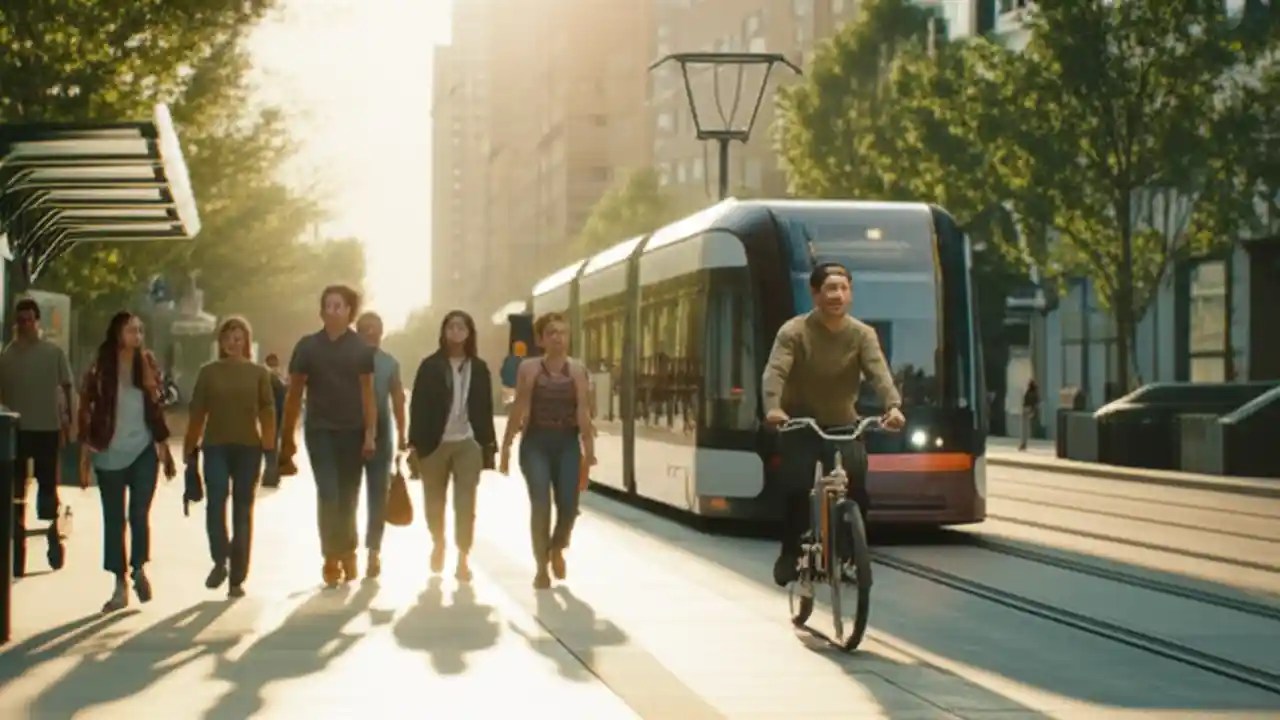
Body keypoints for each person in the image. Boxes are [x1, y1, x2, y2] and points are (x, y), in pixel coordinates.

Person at [761, 262, 906, 588]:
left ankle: (851, 555)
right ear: (815, 294)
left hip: (844, 424)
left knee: (857, 490)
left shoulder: (862, 335)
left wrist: (893, 407)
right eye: (830, 289)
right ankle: (789, 554)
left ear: (850, 293)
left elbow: (878, 373)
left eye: (843, 288)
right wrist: (773, 408)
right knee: (798, 490)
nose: (837, 295)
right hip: (801, 423)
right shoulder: (794, 332)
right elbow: (775, 373)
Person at [77, 311, 178, 611]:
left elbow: (156, 408)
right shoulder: (100, 369)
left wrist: (164, 447)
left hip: (143, 450)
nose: (137, 335)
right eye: (132, 330)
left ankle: (138, 568)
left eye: (140, 331)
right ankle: (119, 584)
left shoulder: (146, 364)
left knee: (139, 513)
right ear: (118, 332)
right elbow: (87, 411)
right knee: (114, 520)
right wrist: (85, 456)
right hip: (109, 453)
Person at [280, 285, 377, 587]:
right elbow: (294, 393)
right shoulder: (308, 347)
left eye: (340, 305)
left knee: (348, 497)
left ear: (350, 311)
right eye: (329, 305)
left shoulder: (360, 348)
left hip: (353, 431)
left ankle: (348, 551)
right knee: (328, 492)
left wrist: (370, 434)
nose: (334, 310)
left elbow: (368, 394)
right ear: (321, 311)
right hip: (320, 430)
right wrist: (287, 437)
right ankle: (330, 557)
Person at [183, 316, 277, 598]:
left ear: (246, 342)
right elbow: (198, 412)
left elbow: (268, 411)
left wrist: (271, 450)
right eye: (228, 339)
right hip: (215, 447)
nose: (233, 344)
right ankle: (220, 559)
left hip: (249, 448)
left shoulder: (259, 373)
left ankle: (238, 577)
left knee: (242, 511)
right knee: (216, 503)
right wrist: (190, 449)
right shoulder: (209, 372)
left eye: (239, 339)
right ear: (220, 342)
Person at [500, 312, 594, 590]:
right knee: (540, 504)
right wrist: (506, 446)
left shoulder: (577, 370)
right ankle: (541, 566)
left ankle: (557, 547)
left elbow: (584, 410)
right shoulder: (529, 369)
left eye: (562, 332)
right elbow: (519, 407)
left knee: (569, 506)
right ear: (541, 340)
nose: (557, 337)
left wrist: (589, 451)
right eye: (551, 333)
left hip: (567, 444)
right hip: (536, 444)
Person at [408, 310, 497, 583]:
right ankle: (438, 542)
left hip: (468, 443)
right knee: (434, 503)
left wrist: (489, 446)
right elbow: (418, 406)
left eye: (462, 327)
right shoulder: (430, 366)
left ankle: (463, 557)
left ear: (469, 333)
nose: (456, 331)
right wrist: (413, 445)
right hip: (434, 443)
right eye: (451, 327)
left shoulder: (479, 368)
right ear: (444, 332)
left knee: (465, 503)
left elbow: (485, 408)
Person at [0, 297, 74, 524]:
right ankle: (15, 522)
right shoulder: (7, 356)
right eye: (21, 321)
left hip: (46, 426)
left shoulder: (53, 353)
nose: (25, 325)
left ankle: (51, 524)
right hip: (17, 429)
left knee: (48, 481)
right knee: (16, 482)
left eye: (29, 320)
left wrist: (69, 420)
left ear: (37, 322)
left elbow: (67, 386)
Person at [355, 311, 408, 579]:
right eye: (365, 329)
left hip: (382, 437)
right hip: (350, 434)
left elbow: (398, 399)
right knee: (348, 496)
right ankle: (347, 550)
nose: (371, 334)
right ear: (357, 332)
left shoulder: (389, 363)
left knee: (378, 497)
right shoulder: (347, 362)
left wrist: (402, 433)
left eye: (376, 329)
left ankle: (373, 552)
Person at [262, 352, 287, 487]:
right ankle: (272, 475)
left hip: (267, 417)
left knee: (268, 448)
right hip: (275, 416)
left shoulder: (266, 377)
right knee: (272, 447)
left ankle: (270, 475)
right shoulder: (277, 378)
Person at [1019, 379, 1040, 451]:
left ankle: (1023, 444)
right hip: (1030, 409)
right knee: (1026, 428)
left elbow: (1025, 401)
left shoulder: (1028, 392)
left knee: (1024, 428)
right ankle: (1024, 443)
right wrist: (1034, 411)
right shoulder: (1035, 393)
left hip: (1026, 409)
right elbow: (1036, 403)